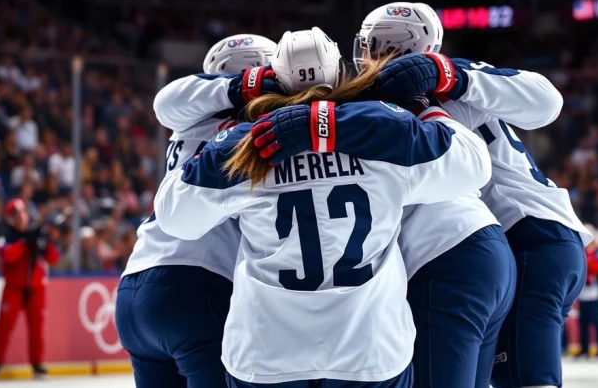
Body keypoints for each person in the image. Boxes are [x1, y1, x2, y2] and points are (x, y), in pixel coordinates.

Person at [154, 28, 493, 388]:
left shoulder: (249, 145)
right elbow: (473, 165)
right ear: (338, 72)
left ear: (275, 79)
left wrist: (224, 140)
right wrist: (417, 109)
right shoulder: (381, 132)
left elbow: (175, 218)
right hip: (371, 348)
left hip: (267, 353)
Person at [354, 2, 593, 388]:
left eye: (377, 46)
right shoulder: (404, 98)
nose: (368, 57)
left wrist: (451, 74)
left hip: (527, 238)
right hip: (520, 244)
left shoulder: (449, 88)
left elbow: (548, 102)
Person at [115, 34, 278, 388]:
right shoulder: (256, 133)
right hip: (199, 284)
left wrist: (239, 87)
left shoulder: (187, 119)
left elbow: (167, 101)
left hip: (134, 286)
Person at [0, 198, 60, 382]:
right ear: (9, 218)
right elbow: (8, 256)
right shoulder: (6, 236)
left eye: (22, 213)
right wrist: (25, 241)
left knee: (37, 329)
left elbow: (53, 258)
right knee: (4, 328)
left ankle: (37, 365)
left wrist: (45, 241)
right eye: (16, 214)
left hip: (36, 288)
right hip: (13, 288)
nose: (20, 217)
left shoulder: (36, 235)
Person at [576, 224, 598, 359]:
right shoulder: (582, 253)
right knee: (582, 323)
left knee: (597, 322)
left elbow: (597, 268)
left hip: (595, 294)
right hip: (583, 294)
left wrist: (587, 258)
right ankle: (584, 349)